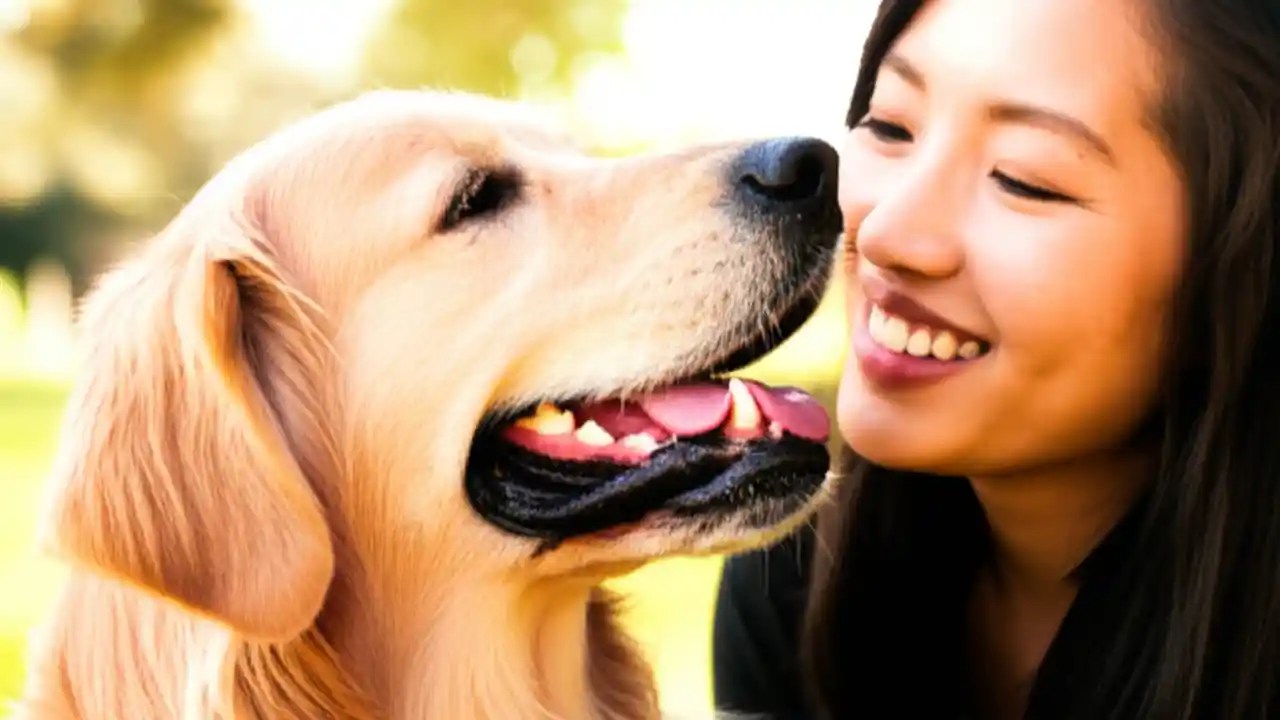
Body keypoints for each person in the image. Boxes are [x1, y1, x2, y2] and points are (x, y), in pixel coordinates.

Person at [712, 0, 1280, 718]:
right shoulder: (793, 571)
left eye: (1023, 179)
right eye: (891, 127)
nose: (888, 232)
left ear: (1243, 270)